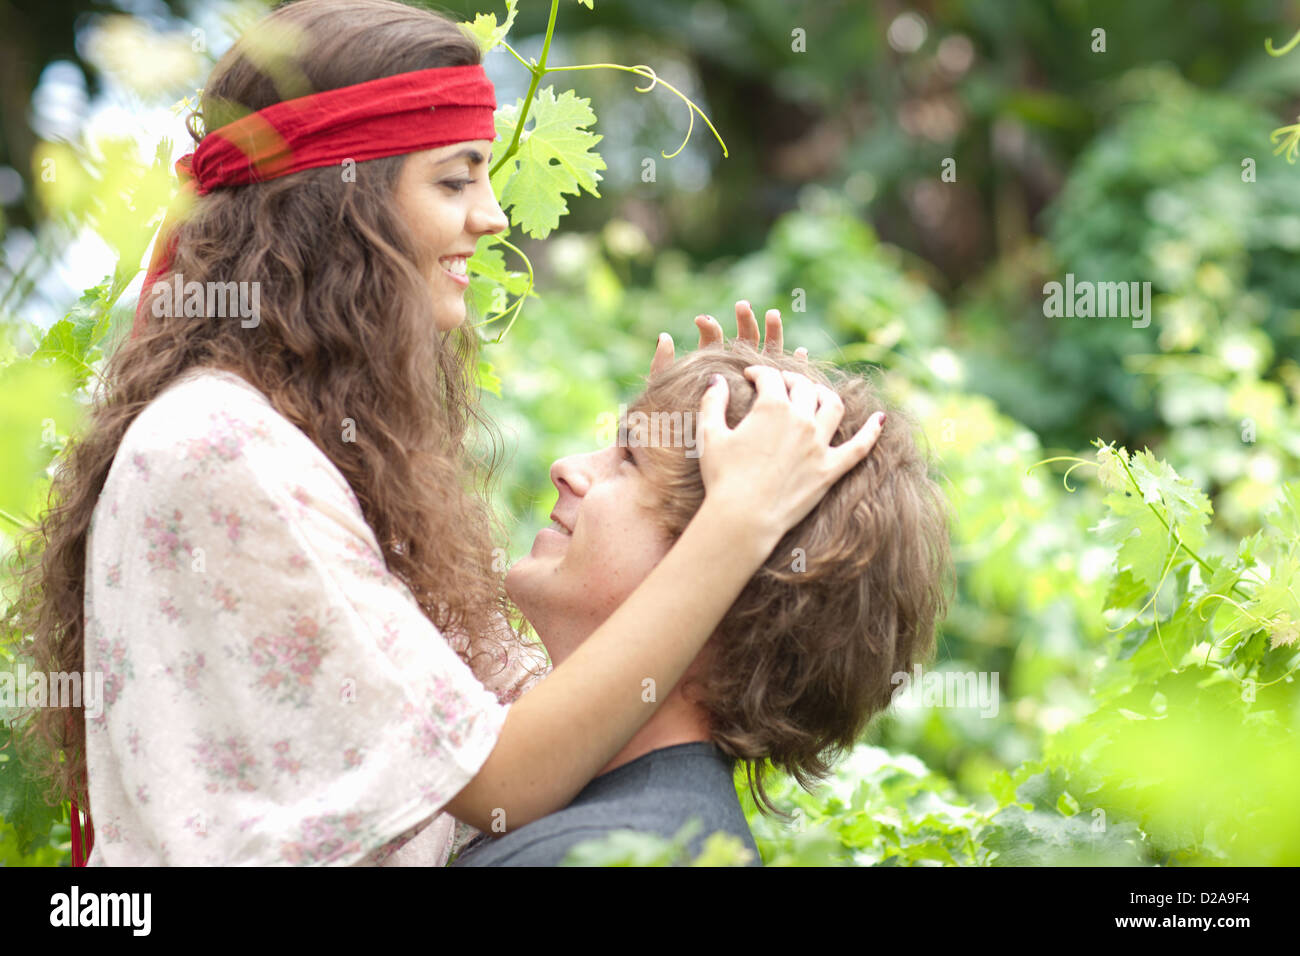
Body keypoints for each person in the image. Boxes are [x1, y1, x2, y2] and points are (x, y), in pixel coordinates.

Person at [7, 0, 886, 865]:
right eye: (456, 178)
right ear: (335, 207)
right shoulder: (224, 449)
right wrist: (731, 523)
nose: (494, 215)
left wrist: (673, 469)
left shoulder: (307, 443)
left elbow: (527, 712)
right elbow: (501, 773)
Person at [454, 343, 952, 866]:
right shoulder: (645, 828)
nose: (567, 468)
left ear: (724, 568)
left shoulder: (600, 855)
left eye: (628, 460)